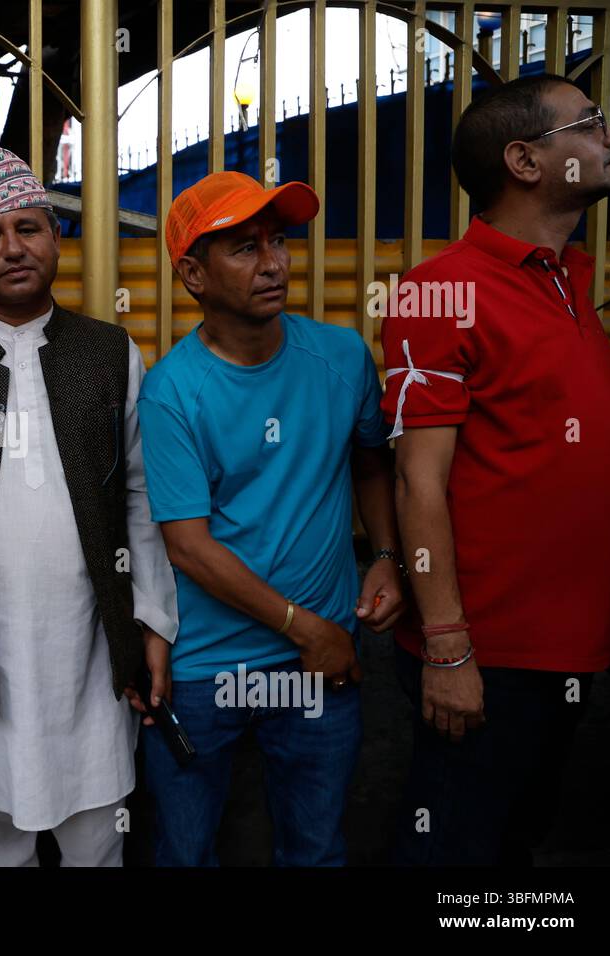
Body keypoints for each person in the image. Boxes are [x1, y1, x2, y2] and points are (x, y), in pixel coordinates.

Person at [380, 74, 610, 865]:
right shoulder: (436, 293)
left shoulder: (572, 280)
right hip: (490, 659)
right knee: (454, 855)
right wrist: (449, 648)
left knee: (517, 850)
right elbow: (419, 481)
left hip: (580, 650)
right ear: (524, 160)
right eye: (590, 124)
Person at [137, 171, 404, 866]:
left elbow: (372, 459)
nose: (274, 262)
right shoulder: (170, 391)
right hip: (206, 670)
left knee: (316, 852)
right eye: (244, 248)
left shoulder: (342, 356)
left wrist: (385, 556)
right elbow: (189, 548)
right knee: (185, 854)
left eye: (277, 241)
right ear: (193, 274)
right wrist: (308, 628)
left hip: (319, 666)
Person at [0, 143, 178, 867]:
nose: (13, 248)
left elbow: (139, 496)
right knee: (0, 849)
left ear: (55, 236)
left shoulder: (110, 353)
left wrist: (154, 621)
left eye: (30, 228)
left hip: (90, 653)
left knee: (96, 845)